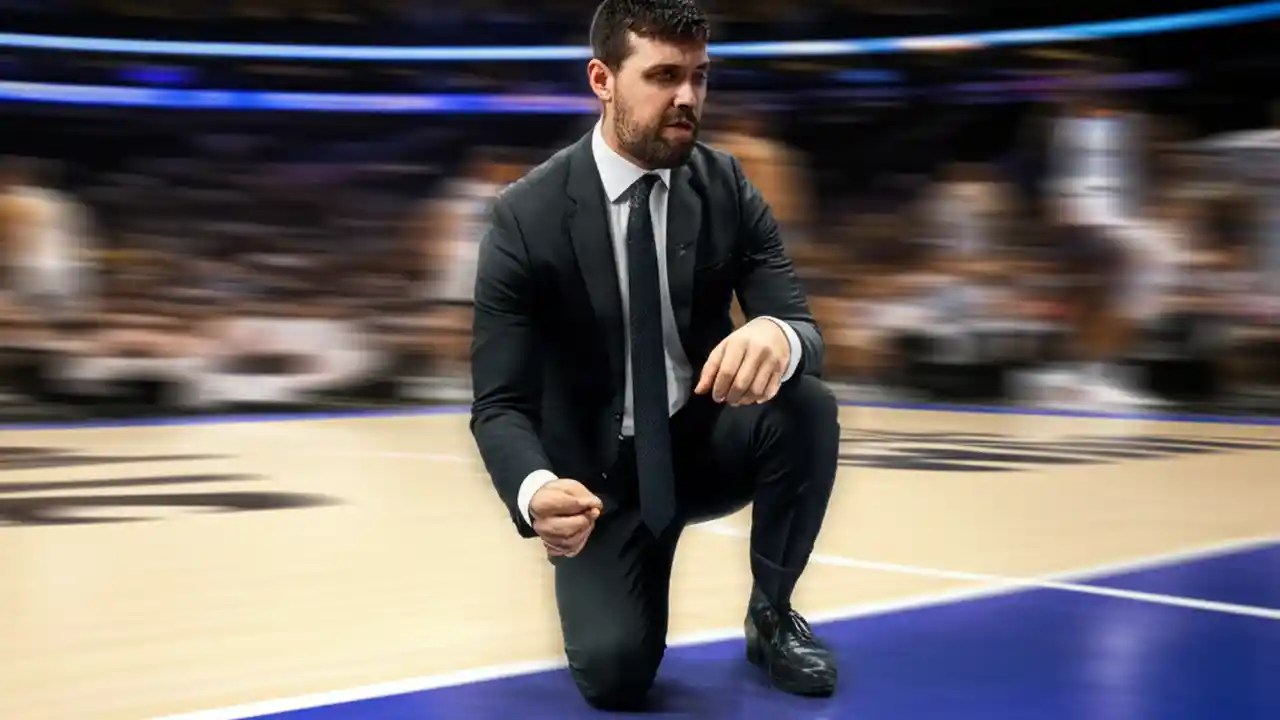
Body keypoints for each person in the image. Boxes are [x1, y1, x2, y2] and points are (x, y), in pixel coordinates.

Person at [469, 0, 840, 709]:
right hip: (600, 482)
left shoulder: (726, 186)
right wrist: (535, 489)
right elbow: (499, 405)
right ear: (602, 79)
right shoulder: (525, 216)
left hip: (702, 440)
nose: (688, 97)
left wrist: (779, 335)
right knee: (615, 679)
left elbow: (803, 327)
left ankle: (772, 615)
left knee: (805, 404)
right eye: (665, 75)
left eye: (700, 76)